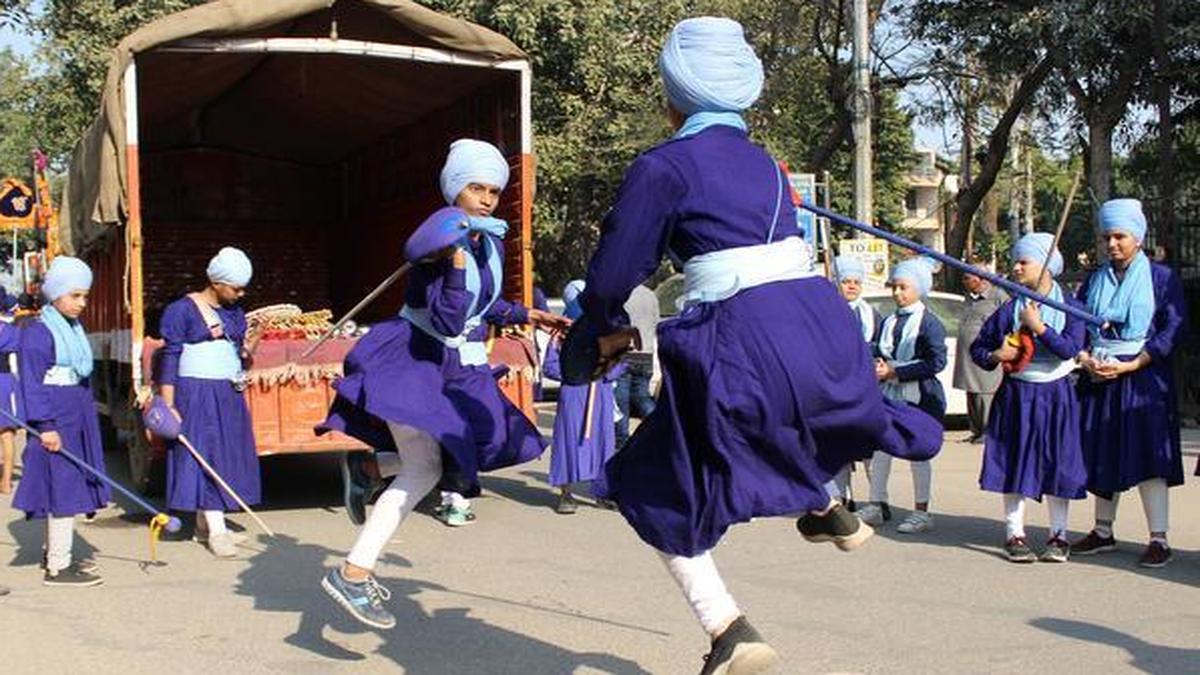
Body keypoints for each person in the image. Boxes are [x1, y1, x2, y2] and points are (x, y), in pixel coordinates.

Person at [575, 18, 942, 673]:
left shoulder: (662, 167)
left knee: (645, 481)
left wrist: (600, 322)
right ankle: (827, 504)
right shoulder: (771, 171)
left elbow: (611, 275)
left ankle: (728, 630)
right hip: (821, 326)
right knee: (771, 419)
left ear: (671, 95)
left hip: (740, 336)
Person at [319, 139, 570, 629]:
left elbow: (486, 303)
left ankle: (371, 471)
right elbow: (451, 316)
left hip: (446, 365)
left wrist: (531, 314)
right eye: (476, 187)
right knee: (428, 468)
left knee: (480, 446)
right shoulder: (441, 245)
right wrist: (453, 260)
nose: (487, 198)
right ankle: (353, 570)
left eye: (494, 191)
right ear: (456, 189)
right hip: (410, 362)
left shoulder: (487, 241)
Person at [1071, 199, 1188, 568]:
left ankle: (1159, 538)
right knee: (1101, 450)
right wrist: (1086, 358)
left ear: (1137, 237)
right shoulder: (1094, 278)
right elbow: (1078, 324)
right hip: (1100, 376)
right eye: (1107, 237)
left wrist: (1136, 362)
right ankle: (1103, 531)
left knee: (1150, 455)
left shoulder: (1161, 277)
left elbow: (1174, 326)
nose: (1112, 244)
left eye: (1120, 236)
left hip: (1144, 378)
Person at [970, 233, 1087, 563]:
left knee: (1058, 461)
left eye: (1024, 262)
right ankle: (1014, 533)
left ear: (1047, 266)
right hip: (1017, 393)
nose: (1016, 268)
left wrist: (1039, 328)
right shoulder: (1008, 310)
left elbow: (1070, 348)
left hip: (1057, 393)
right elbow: (977, 349)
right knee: (1014, 459)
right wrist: (996, 354)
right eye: (1015, 261)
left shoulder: (1071, 307)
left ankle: (1059, 535)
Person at [157, 247, 260, 558]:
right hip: (195, 393)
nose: (240, 294)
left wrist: (248, 351)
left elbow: (239, 357)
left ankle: (206, 524)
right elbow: (170, 358)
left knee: (225, 454)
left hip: (227, 392)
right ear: (216, 282)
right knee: (205, 454)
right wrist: (168, 403)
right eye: (235, 288)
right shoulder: (182, 311)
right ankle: (216, 531)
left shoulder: (236, 314)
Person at [12, 257, 108, 587]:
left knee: (69, 485)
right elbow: (32, 383)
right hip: (56, 418)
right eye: (75, 295)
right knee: (63, 490)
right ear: (55, 294)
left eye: (85, 296)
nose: (82, 303)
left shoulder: (71, 328)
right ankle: (58, 566)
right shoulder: (38, 332)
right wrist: (46, 426)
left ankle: (54, 553)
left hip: (76, 415)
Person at [858, 257, 947, 534]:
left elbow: (936, 362)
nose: (897, 293)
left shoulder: (930, 323)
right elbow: (879, 351)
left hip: (919, 395)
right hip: (888, 393)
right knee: (882, 448)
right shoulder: (889, 320)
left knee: (918, 454)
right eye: (894, 287)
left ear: (919, 288)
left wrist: (896, 373)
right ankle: (876, 503)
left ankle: (922, 511)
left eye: (903, 287)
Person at [543, 280, 624, 514]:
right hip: (574, 393)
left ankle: (602, 492)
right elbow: (549, 366)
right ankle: (566, 493)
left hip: (600, 393)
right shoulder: (561, 333)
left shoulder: (608, 329)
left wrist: (603, 370)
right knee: (568, 439)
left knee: (603, 441)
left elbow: (620, 361)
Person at [824, 255, 881, 507]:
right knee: (838, 450)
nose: (851, 286)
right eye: (846, 281)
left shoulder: (873, 315)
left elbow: (881, 350)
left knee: (871, 451)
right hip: (834, 389)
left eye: (856, 282)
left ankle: (878, 501)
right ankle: (842, 499)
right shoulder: (826, 312)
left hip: (866, 391)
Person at [955, 267, 1007, 443]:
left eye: (967, 278)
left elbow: (1008, 323)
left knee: (985, 392)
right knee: (971, 392)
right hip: (967, 356)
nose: (964, 282)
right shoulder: (969, 299)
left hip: (987, 354)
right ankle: (976, 430)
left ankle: (987, 430)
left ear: (981, 279)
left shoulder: (998, 297)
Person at [614, 284, 659, 447]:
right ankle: (658, 427)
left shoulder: (619, 294)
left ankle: (622, 438)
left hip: (625, 352)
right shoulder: (650, 295)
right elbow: (655, 323)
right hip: (646, 352)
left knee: (621, 398)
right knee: (642, 395)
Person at [0, 290, 22, 494]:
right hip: (6, 382)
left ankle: (5, 480)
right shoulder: (11, 331)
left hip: (5, 381)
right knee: (7, 435)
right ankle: (5, 481)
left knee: (6, 434)